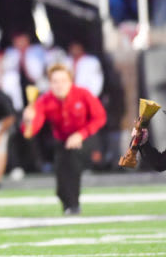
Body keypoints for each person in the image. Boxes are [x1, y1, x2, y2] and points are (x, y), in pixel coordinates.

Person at [22, 64, 107, 214]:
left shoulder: (83, 94)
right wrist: (28, 120)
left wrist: (81, 134)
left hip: (86, 137)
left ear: (70, 81)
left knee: (72, 161)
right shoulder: (45, 100)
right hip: (62, 142)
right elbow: (31, 131)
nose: (59, 85)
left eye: (63, 81)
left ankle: (74, 205)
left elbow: (100, 117)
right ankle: (67, 201)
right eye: (55, 81)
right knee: (61, 175)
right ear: (50, 84)